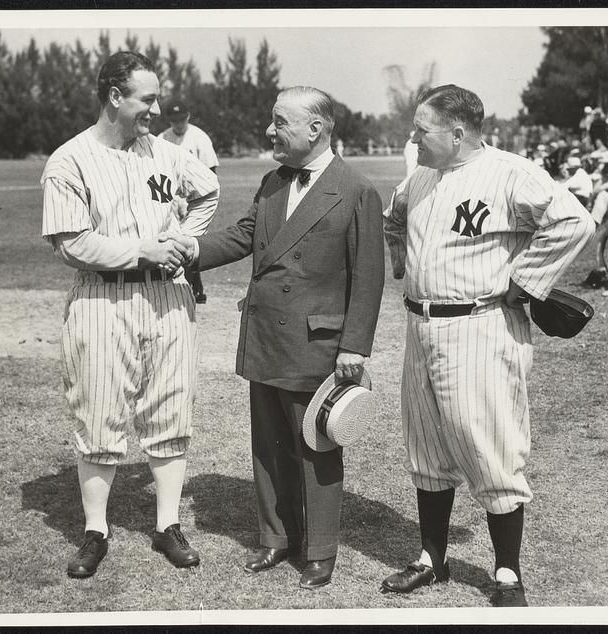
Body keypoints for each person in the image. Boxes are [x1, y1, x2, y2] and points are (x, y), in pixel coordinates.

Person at [381, 84, 593, 606]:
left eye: (422, 130)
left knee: (490, 445)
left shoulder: (510, 173)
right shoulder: (422, 175)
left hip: (481, 325)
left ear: (457, 134)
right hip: (421, 325)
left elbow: (574, 221)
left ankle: (506, 573)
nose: (414, 137)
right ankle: (432, 558)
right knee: (427, 445)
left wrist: (525, 282)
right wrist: (403, 265)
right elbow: (394, 220)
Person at [170, 86, 385, 590]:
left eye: (279, 122)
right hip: (266, 337)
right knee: (268, 447)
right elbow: (244, 235)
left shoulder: (356, 190)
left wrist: (354, 346)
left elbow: (370, 276)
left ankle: (320, 551)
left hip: (318, 345)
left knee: (315, 448)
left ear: (315, 129)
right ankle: (276, 539)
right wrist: (190, 247)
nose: (270, 130)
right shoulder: (272, 182)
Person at [40, 51, 220, 578]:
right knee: (99, 413)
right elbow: (72, 243)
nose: (157, 108)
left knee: (170, 409)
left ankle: (167, 526)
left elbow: (207, 190)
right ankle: (95, 531)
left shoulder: (163, 152)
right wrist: (144, 248)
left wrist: (184, 238)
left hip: (168, 296)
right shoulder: (68, 160)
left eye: (158, 97)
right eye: (148, 98)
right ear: (115, 97)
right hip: (102, 298)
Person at [160, 99, 220, 304]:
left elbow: (211, 172)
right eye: (174, 120)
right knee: (174, 241)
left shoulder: (198, 137)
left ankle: (191, 287)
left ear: (188, 117)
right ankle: (195, 288)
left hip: (194, 196)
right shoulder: (163, 138)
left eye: (181, 119)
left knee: (191, 241)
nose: (178, 124)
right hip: (171, 197)